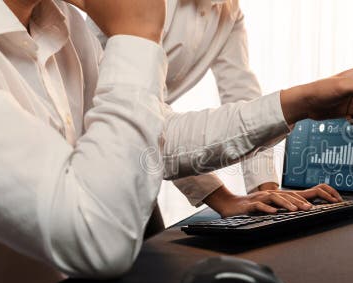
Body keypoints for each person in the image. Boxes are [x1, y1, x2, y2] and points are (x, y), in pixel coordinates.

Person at [0, 0, 353, 283]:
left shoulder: (61, 24)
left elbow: (157, 140)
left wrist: (298, 103)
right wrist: (138, 34)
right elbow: (92, 234)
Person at [86, 0, 320, 223]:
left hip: (135, 150)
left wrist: (269, 192)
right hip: (89, 153)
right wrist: (223, 199)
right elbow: (137, 113)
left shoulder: (229, 11)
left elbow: (243, 94)